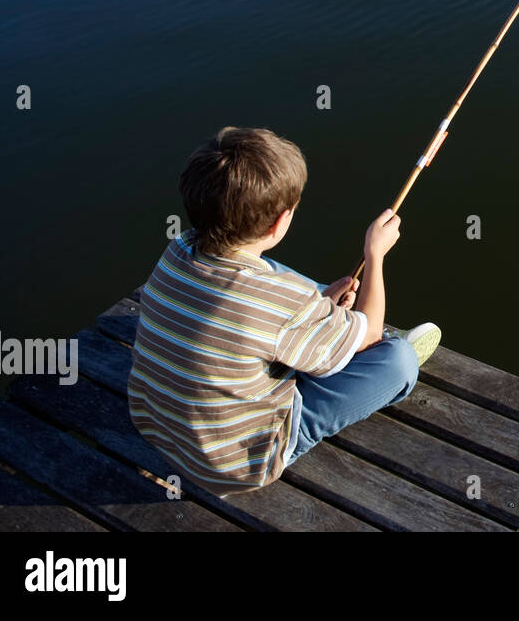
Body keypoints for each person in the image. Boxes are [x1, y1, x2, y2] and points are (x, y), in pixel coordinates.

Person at [127, 126, 440, 497]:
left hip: (154, 427)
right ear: (280, 222)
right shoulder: (278, 300)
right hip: (235, 466)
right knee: (397, 360)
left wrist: (316, 301)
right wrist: (375, 255)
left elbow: (257, 298)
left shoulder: (177, 249)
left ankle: (320, 328)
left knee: (269, 273)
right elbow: (370, 333)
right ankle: (333, 343)